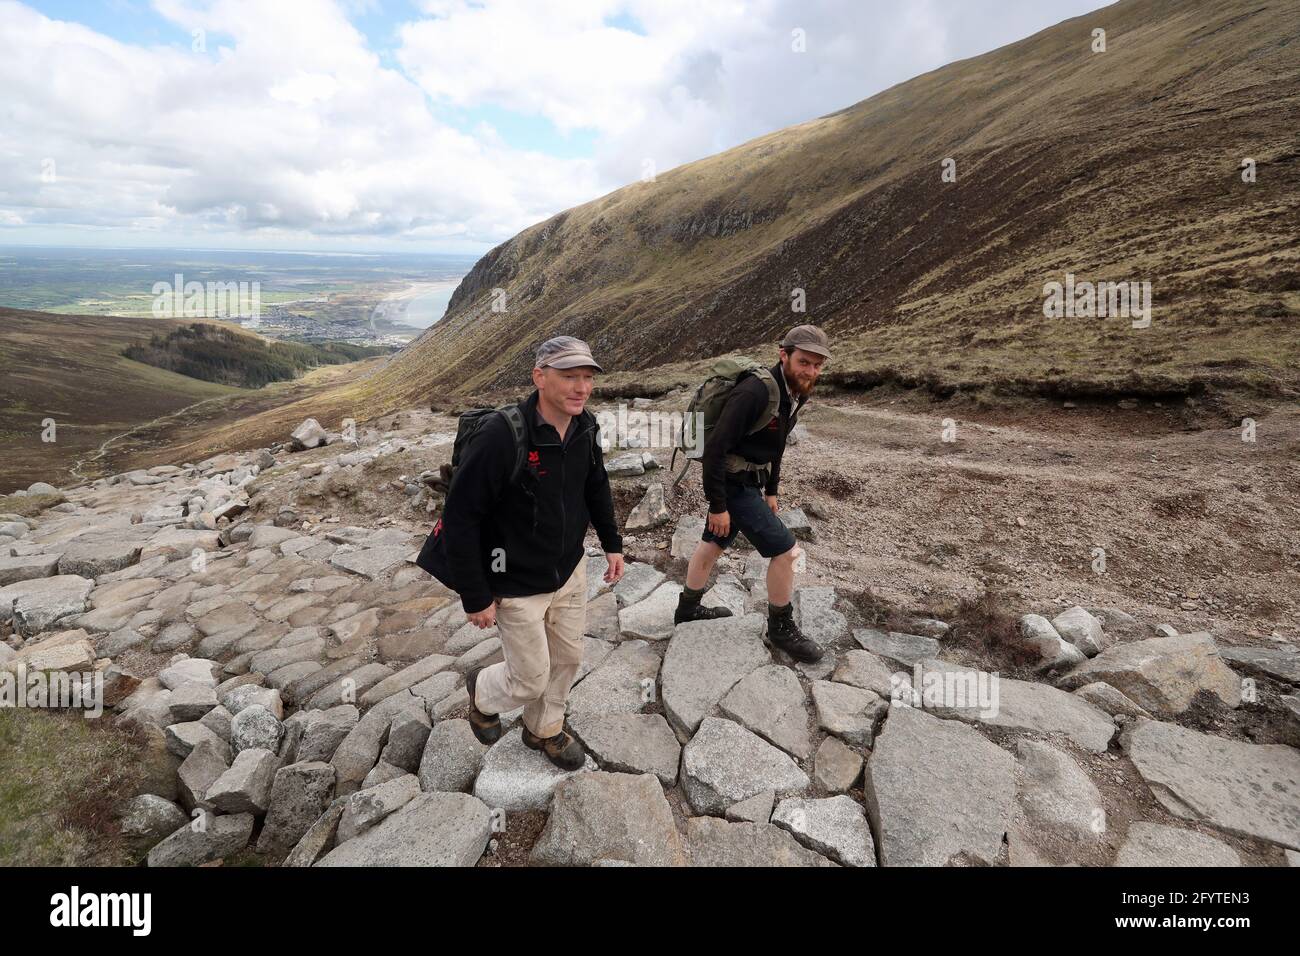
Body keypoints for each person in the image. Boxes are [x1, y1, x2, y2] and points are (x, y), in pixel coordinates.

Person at [442, 335, 624, 769]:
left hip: (568, 570)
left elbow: (595, 486)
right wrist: (476, 593)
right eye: (569, 377)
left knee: (567, 659)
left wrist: (612, 543)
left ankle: (544, 729)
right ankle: (483, 690)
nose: (581, 388)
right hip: (516, 579)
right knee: (528, 679)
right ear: (539, 377)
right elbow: (461, 516)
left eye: (587, 377)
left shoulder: (586, 425)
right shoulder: (500, 436)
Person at [674, 325, 830, 663]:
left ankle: (686, 610)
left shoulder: (793, 392)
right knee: (787, 552)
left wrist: (771, 489)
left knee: (713, 543)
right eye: (805, 362)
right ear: (783, 354)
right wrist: (718, 505)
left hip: (747, 484)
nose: (811, 371)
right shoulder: (757, 392)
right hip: (731, 484)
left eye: (818, 365)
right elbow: (714, 450)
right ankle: (781, 629)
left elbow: (776, 446)